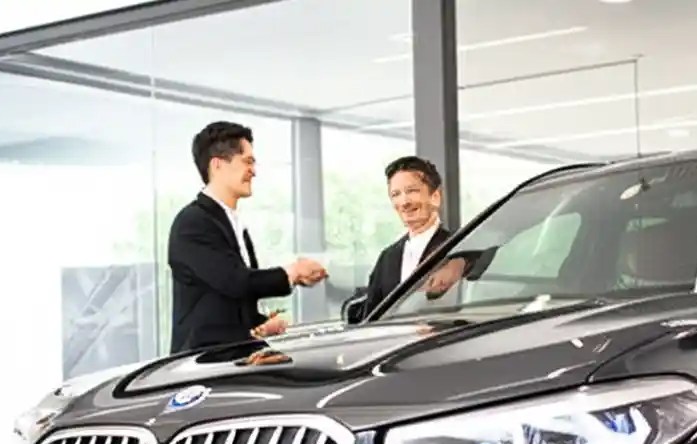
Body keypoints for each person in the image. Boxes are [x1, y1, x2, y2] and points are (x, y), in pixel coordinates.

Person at [168, 121, 326, 352]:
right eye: (248, 161)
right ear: (218, 165)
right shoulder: (193, 223)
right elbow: (236, 281)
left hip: (234, 359)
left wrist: (261, 324)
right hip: (203, 364)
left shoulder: (233, 223)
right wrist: (292, 272)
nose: (254, 171)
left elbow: (231, 298)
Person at [348, 156, 473, 323]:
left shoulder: (459, 250)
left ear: (435, 197)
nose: (404, 202)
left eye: (412, 191)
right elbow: (371, 319)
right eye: (396, 194)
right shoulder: (387, 258)